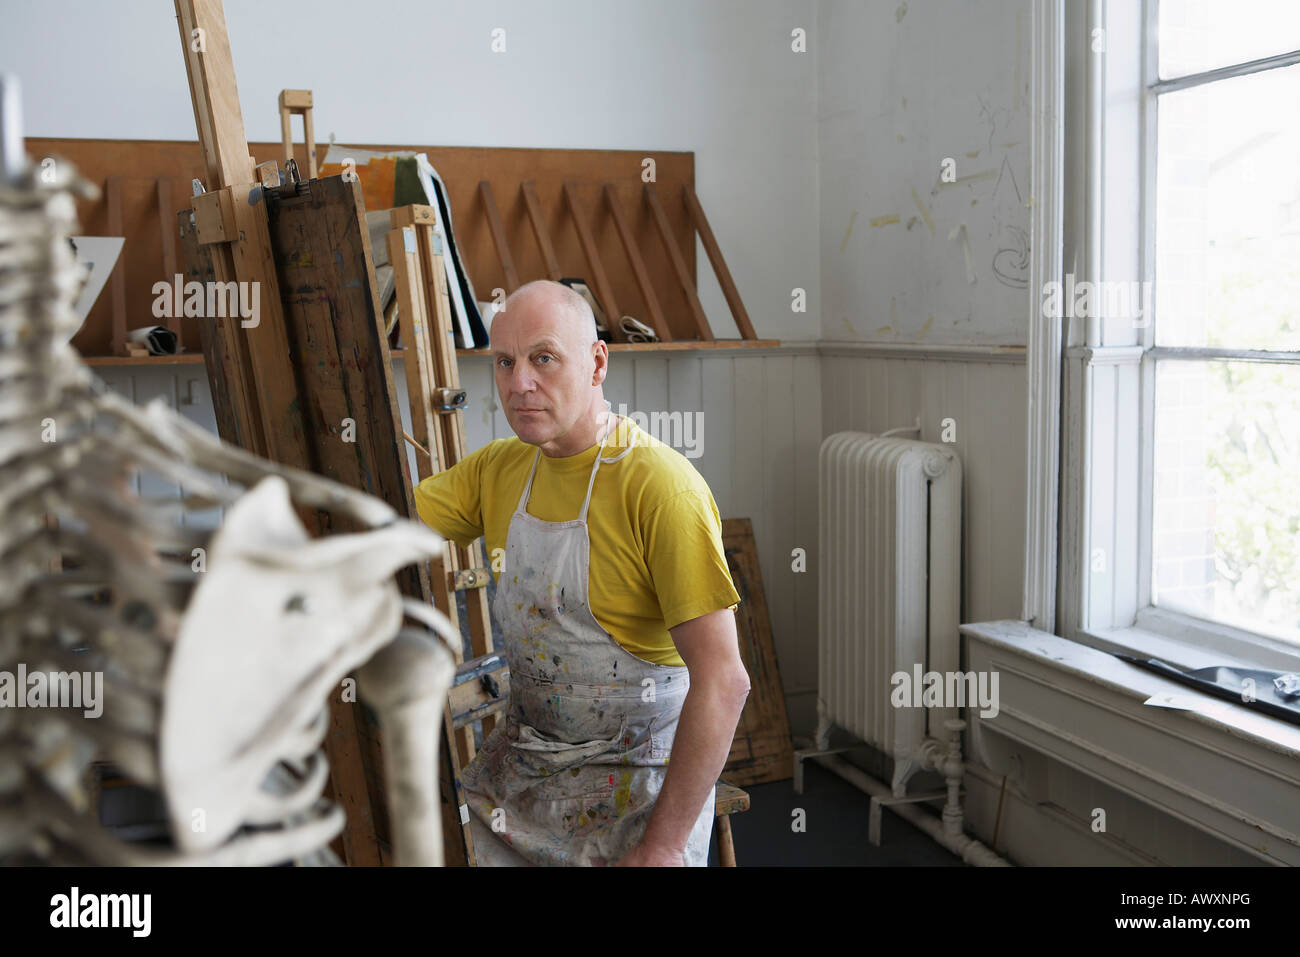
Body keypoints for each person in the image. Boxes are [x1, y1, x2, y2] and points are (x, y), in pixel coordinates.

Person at [413, 279, 750, 866]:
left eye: (544, 358)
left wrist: (664, 845)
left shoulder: (660, 488)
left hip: (641, 783)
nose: (520, 383)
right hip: (525, 764)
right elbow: (380, 526)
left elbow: (724, 681)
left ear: (597, 363)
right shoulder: (500, 467)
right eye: (504, 362)